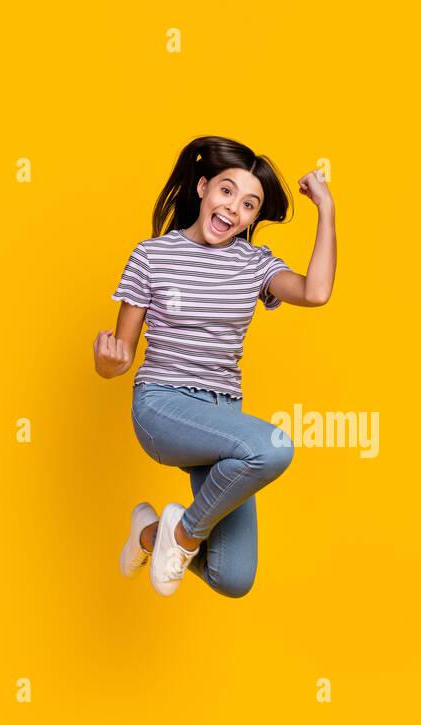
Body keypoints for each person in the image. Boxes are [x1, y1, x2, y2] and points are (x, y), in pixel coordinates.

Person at [94, 135, 337, 597]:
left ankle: (152, 534)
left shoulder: (253, 264)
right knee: (273, 447)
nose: (234, 210)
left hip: (221, 415)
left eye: (249, 205)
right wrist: (108, 362)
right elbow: (118, 360)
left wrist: (325, 208)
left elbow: (316, 292)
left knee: (234, 578)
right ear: (203, 187)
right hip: (162, 406)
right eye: (227, 191)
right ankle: (182, 537)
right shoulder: (152, 256)